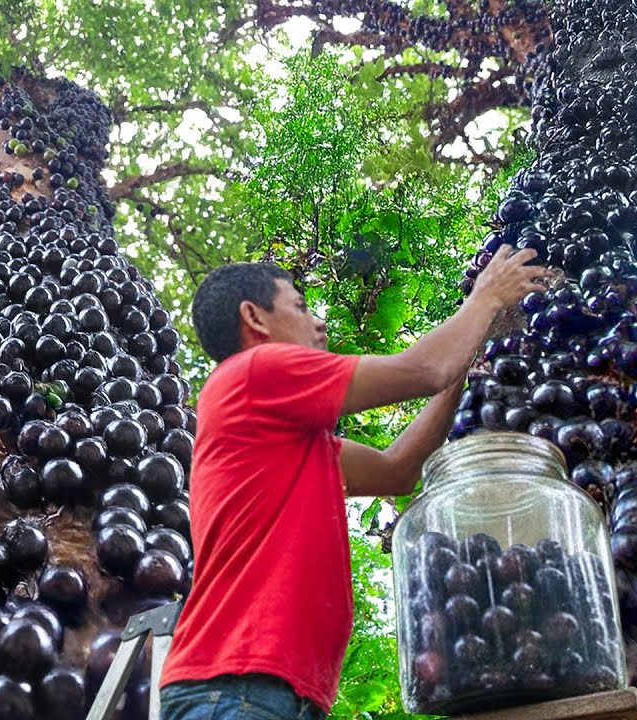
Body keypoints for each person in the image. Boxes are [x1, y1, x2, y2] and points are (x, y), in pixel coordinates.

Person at [158, 245, 550, 719]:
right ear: (254, 318)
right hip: (239, 684)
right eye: (301, 307)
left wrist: (460, 374)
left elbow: (397, 470)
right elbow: (424, 369)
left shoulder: (284, 437)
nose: (319, 323)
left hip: (266, 689)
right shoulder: (255, 373)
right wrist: (487, 297)